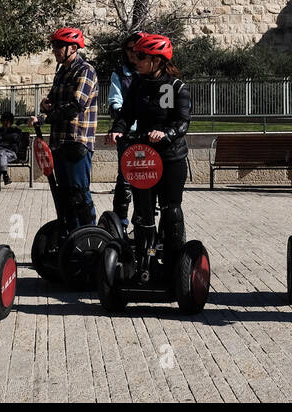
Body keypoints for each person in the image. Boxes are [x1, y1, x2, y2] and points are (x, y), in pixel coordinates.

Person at [105, 33, 192, 258]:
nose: (136, 59)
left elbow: (181, 122)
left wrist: (166, 133)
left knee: (170, 210)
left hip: (170, 157)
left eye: (141, 56)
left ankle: (173, 260)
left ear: (157, 60)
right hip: (144, 156)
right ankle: (145, 257)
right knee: (143, 212)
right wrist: (118, 129)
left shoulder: (174, 87)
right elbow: (127, 113)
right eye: (135, 54)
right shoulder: (138, 84)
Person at [36, 26, 99, 230]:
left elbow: (75, 106)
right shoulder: (62, 71)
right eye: (53, 45)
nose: (54, 50)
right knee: (64, 195)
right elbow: (52, 100)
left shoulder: (86, 70)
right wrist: (45, 106)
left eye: (58, 46)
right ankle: (71, 236)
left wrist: (47, 117)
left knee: (78, 194)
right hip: (59, 141)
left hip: (77, 141)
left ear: (73, 48)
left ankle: (90, 234)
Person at [106, 32, 144, 229]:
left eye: (136, 49)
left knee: (147, 179)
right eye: (128, 49)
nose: (132, 53)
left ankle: (142, 223)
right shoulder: (120, 74)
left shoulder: (151, 74)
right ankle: (119, 224)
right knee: (126, 178)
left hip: (149, 136)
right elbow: (115, 101)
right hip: (129, 134)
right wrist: (123, 118)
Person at [0, 111, 23, 192]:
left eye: (8, 121)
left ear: (11, 122)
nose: (6, 123)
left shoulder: (16, 131)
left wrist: (1, 139)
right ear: (1, 121)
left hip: (11, 154)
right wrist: (5, 140)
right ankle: (5, 175)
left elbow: (16, 139)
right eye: (4, 121)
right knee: (0, 154)